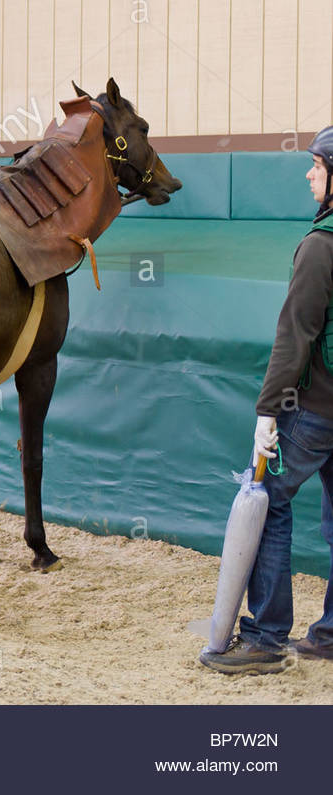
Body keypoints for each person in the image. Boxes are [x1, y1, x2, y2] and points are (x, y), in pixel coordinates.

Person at [199, 126, 333, 674]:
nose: (309, 173)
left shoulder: (320, 247)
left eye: (318, 165)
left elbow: (294, 337)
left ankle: (265, 639)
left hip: (317, 409)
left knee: (270, 499)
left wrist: (268, 409)